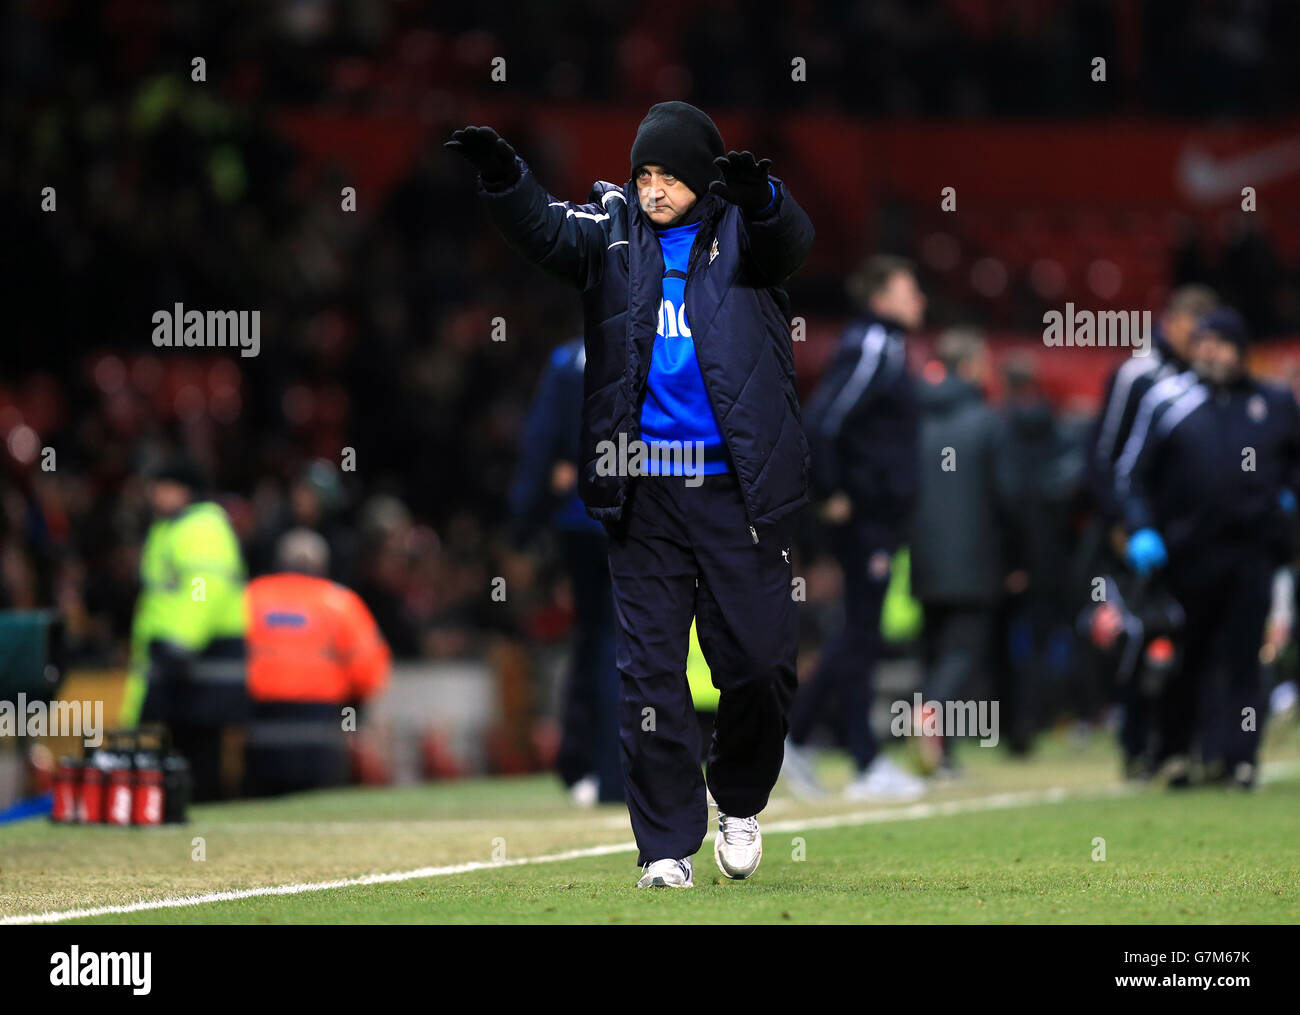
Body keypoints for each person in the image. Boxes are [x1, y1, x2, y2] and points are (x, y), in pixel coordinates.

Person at [447, 100, 814, 888]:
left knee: (757, 665)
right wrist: (505, 179)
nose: (651, 188)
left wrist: (764, 199)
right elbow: (545, 228)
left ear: (700, 177)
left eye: (668, 174)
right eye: (643, 172)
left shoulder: (745, 234)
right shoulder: (612, 233)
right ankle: (665, 847)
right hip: (644, 491)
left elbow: (793, 242)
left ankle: (739, 799)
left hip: (736, 489)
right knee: (648, 675)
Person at [1114, 307, 1300, 789]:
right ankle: (1175, 753)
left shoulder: (1275, 403)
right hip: (1187, 553)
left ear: (1241, 348)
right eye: (1202, 342)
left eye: (1218, 342)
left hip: (1254, 552)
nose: (1208, 351)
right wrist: (1140, 527)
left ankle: (1239, 758)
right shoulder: (1167, 400)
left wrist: (1287, 506)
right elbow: (1131, 473)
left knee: (1244, 658)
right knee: (1185, 658)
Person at [783, 255, 924, 800]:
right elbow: (823, 419)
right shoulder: (870, 345)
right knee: (861, 631)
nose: (920, 301)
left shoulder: (886, 346)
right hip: (865, 513)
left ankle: (801, 742)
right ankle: (859, 760)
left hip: (879, 512)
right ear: (880, 298)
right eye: (910, 290)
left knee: (860, 631)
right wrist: (833, 491)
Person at [509, 338, 623, 806]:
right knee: (623, 643)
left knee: (593, 638)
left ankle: (581, 764)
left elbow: (539, 442)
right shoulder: (660, 343)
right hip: (637, 518)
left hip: (578, 519)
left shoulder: (567, 358)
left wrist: (522, 526)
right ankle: (615, 776)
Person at [909, 329, 1013, 777]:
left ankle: (943, 754)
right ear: (970, 366)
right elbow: (1007, 494)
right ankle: (930, 714)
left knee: (934, 651)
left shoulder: (915, 418)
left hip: (924, 553)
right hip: (974, 556)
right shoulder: (989, 420)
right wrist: (1016, 557)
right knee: (962, 652)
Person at [125, 456, 248, 802]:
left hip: (199, 662)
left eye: (163, 486)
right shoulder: (174, 527)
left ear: (185, 490)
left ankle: (202, 826)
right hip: (181, 662)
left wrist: (180, 643)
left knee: (200, 756)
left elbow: (204, 591)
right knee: (183, 751)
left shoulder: (200, 528)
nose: (155, 495)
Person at [244, 529, 390, 796]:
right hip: (319, 726)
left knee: (263, 802)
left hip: (260, 724)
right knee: (317, 802)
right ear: (321, 564)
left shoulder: (251, 596)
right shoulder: (340, 601)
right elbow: (368, 671)